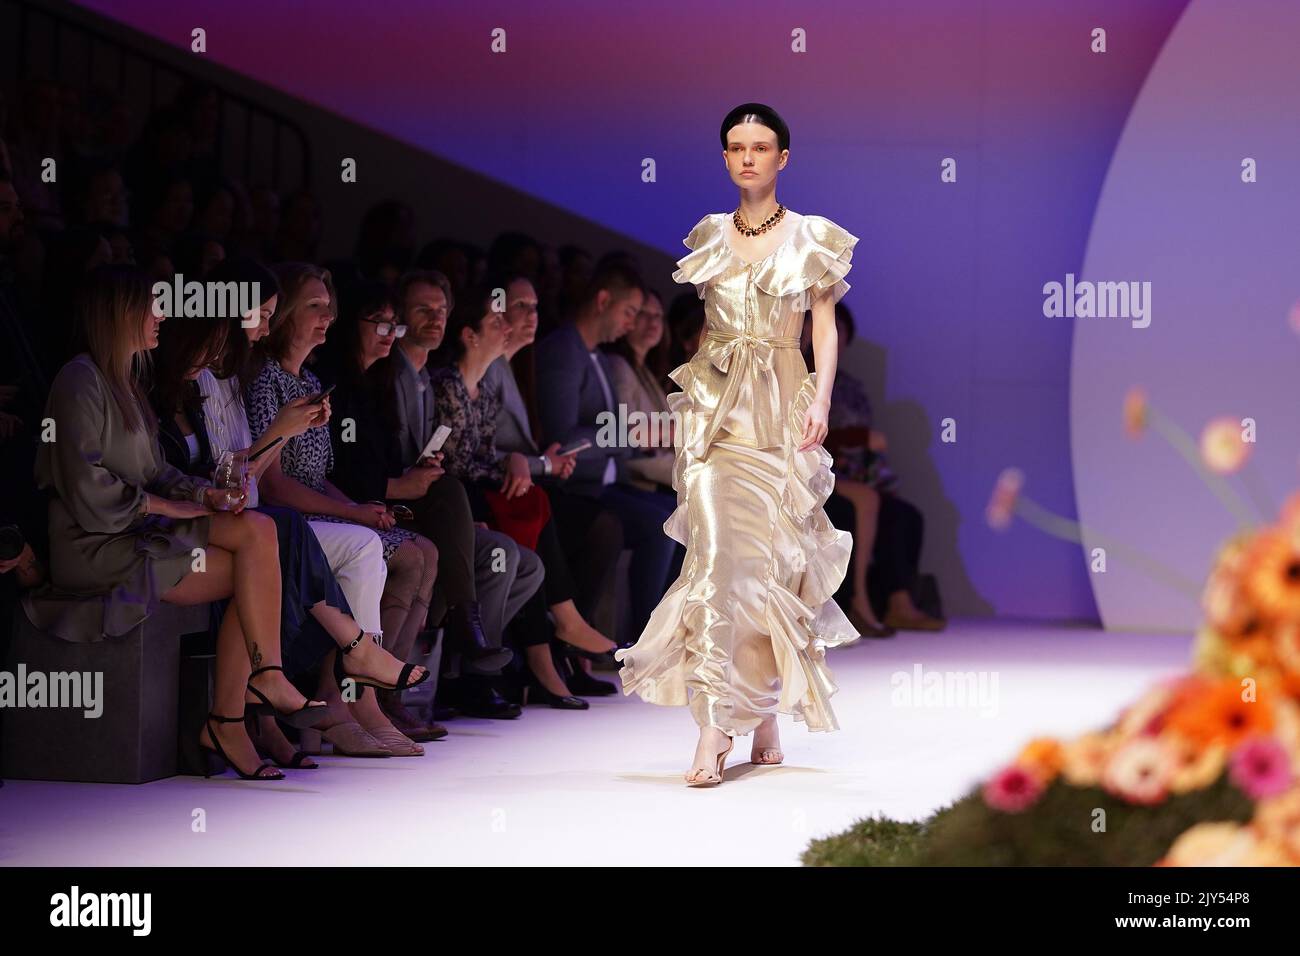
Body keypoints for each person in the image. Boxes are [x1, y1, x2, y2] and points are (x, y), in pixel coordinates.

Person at [614, 103, 861, 786]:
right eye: (735, 147)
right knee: (719, 561)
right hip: (717, 416)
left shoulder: (811, 235)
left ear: (783, 159)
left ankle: (767, 713)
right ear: (725, 158)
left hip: (781, 409)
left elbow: (824, 327)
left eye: (760, 147)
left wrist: (821, 397)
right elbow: (708, 334)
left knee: (772, 565)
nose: (747, 157)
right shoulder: (711, 234)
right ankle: (714, 727)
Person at [23, 265, 327, 781]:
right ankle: (234, 711)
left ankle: (260, 681)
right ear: (120, 314)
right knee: (252, 568)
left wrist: (201, 493)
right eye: (151, 307)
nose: (162, 315)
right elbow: (84, 485)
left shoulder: (124, 380)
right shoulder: (79, 380)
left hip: (133, 530)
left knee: (260, 533)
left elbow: (155, 471)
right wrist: (168, 507)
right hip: (96, 544)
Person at [151, 302, 432, 766]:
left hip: (236, 520)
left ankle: (318, 692)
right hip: (199, 529)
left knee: (293, 536)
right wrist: (282, 433)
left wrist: (289, 442)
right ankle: (345, 669)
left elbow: (237, 480)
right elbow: (239, 481)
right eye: (259, 313)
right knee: (285, 533)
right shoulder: (227, 384)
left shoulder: (224, 384)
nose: (262, 324)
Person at [244, 262, 438, 755]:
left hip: (317, 515)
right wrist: (354, 515)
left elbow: (317, 475)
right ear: (283, 312)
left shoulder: (309, 380)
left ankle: (355, 694)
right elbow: (275, 485)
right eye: (314, 306)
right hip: (279, 520)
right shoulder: (264, 380)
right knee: (369, 547)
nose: (326, 316)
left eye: (329, 307)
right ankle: (359, 694)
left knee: (385, 544)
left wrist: (356, 506)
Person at [433, 276, 621, 709]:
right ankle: (547, 650)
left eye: (534, 306)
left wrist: (540, 462)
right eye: (514, 307)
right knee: (547, 514)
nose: (526, 317)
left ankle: (554, 654)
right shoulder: (477, 374)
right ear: (473, 330)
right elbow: (468, 457)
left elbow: (492, 451)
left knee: (578, 519)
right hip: (471, 496)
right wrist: (539, 465)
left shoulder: (504, 369)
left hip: (494, 488)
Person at [533, 261, 680, 647]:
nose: (631, 324)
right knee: (660, 522)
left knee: (676, 517)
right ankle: (643, 640)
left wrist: (636, 435)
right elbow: (562, 440)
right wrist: (631, 434)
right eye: (629, 312)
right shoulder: (565, 350)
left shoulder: (593, 355)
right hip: (577, 487)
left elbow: (610, 433)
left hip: (603, 481)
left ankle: (660, 635)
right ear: (602, 301)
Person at [806, 306, 945, 635]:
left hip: (853, 473)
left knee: (903, 515)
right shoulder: (796, 376)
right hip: (813, 470)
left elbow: (867, 441)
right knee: (866, 502)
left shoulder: (851, 387)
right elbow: (805, 432)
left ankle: (899, 602)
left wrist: (875, 466)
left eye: (839, 332)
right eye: (827, 329)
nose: (832, 338)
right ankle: (858, 602)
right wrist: (856, 439)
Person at [605, 287, 676, 492]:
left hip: (657, 481)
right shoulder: (618, 366)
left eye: (658, 315)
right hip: (634, 484)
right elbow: (627, 439)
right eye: (644, 313)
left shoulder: (646, 371)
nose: (653, 322)